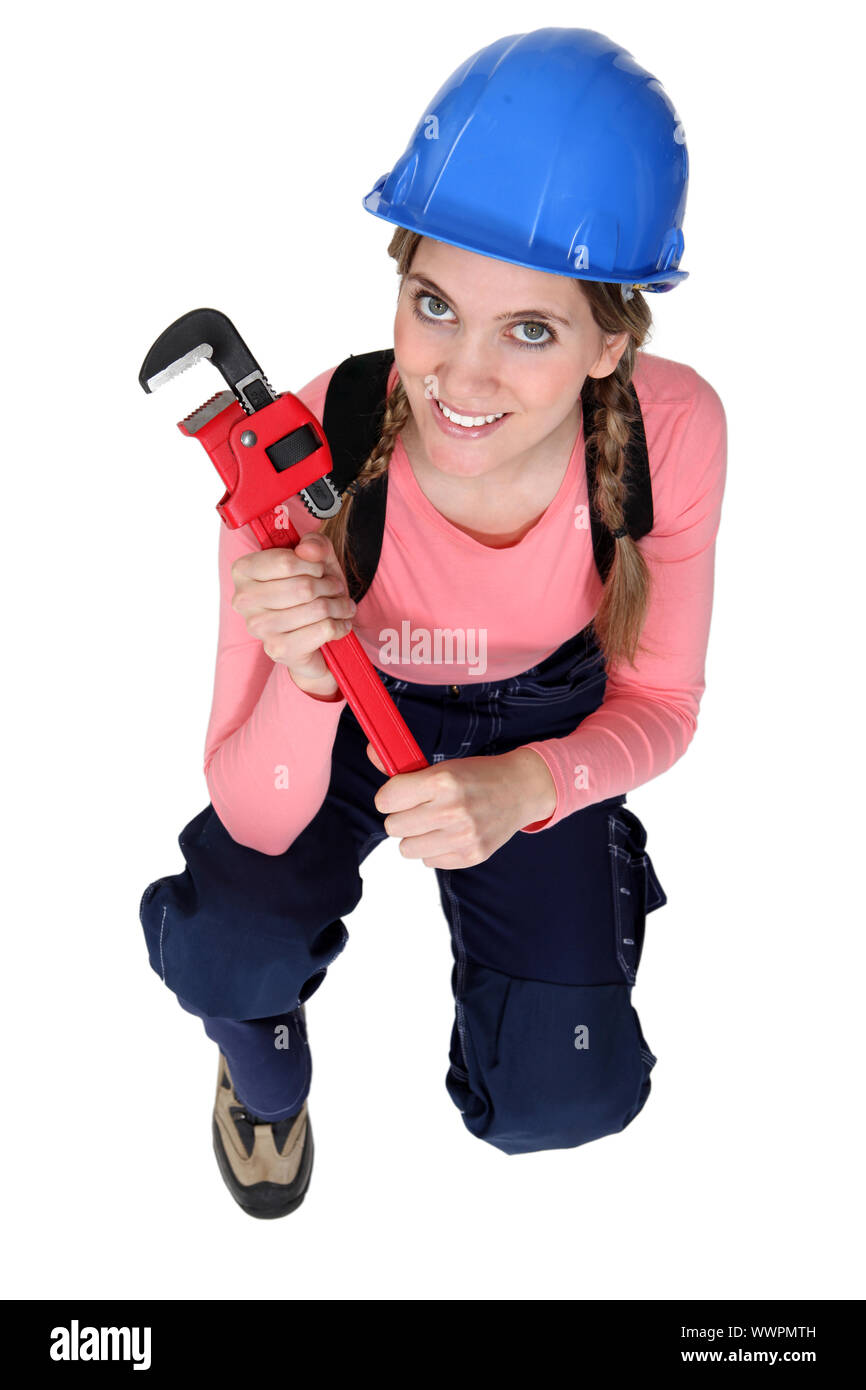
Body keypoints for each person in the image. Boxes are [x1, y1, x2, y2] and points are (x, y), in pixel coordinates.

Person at [139, 27, 727, 1218]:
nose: (459, 380)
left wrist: (533, 787)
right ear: (398, 281)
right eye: (433, 304)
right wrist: (309, 677)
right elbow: (253, 808)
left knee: (562, 1101)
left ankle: (532, 983)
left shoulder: (667, 437)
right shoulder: (305, 450)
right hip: (359, 704)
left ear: (608, 342)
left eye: (529, 330)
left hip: (543, 721)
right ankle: (259, 1074)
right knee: (227, 942)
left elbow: (660, 705)